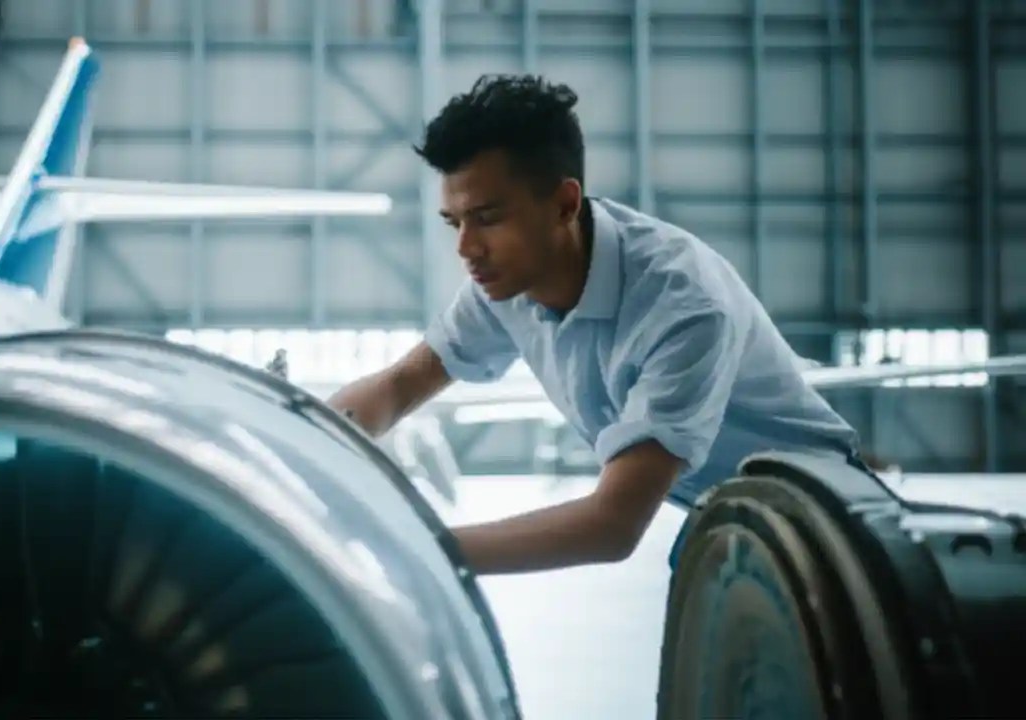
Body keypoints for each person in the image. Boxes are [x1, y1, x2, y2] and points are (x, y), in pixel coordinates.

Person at [325, 74, 861, 575]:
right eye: (455, 223)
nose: (465, 248)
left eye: (487, 219)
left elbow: (611, 526)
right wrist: (302, 451)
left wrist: (409, 548)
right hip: (728, 514)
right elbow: (398, 386)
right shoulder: (505, 286)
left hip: (828, 526)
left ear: (564, 204)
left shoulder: (682, 303)